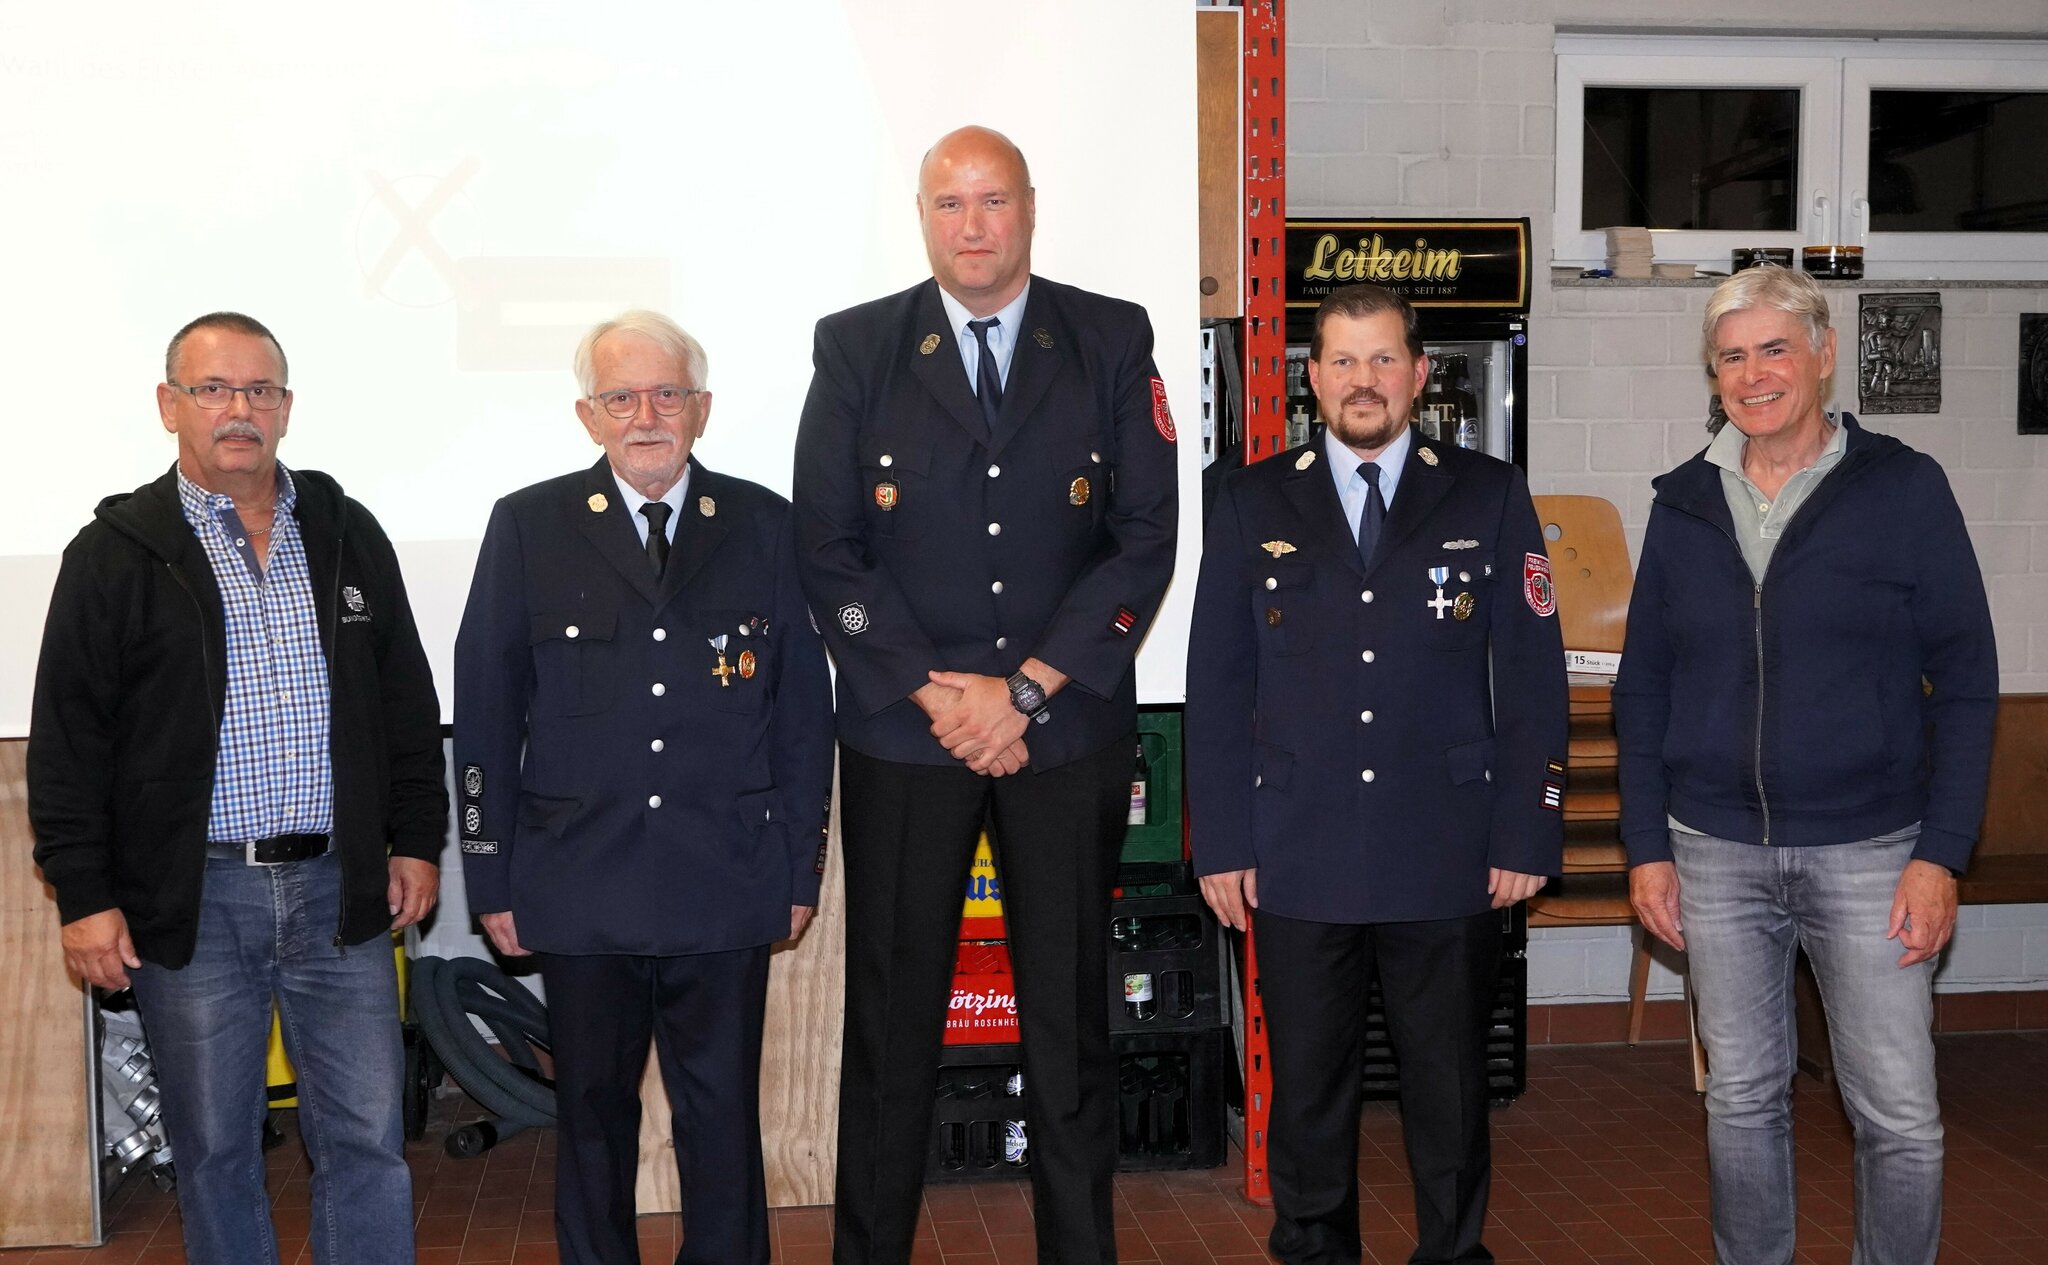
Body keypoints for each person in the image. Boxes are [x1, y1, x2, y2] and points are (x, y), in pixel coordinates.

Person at [792, 125, 1177, 1263]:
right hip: (906, 738)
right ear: (922, 216)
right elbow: (828, 543)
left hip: (1061, 732)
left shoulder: (1108, 336)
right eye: (949, 203)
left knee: (1067, 1020)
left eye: (991, 201)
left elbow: (1142, 535)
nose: (972, 225)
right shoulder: (859, 345)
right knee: (892, 1024)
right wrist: (938, 693)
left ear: (1028, 209)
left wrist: (1021, 689)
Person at [28, 311, 446, 1265]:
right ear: (170, 404)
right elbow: (68, 740)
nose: (238, 410)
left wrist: (417, 838)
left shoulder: (345, 532)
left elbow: (406, 702)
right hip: (196, 898)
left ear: (287, 409)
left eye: (259, 390)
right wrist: (85, 897)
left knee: (368, 1143)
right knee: (215, 1150)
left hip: (341, 891)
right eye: (214, 389)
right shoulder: (116, 552)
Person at [1616, 264, 1997, 1265]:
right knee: (1740, 1103)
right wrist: (1646, 847)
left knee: (1898, 1114)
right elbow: (1641, 688)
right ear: (1712, 372)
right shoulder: (1682, 504)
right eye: (1731, 355)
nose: (1753, 373)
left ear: (1821, 355)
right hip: (1713, 850)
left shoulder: (1902, 489)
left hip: (1874, 851)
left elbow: (1964, 679)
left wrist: (1940, 854)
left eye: (1772, 348)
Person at [1186, 283, 1567, 1265]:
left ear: (1418, 374)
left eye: (1383, 359)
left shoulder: (1487, 494)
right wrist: (1221, 838)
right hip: (1295, 847)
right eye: (1343, 361)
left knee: (1444, 1085)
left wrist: (1528, 830)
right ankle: (1313, 1249)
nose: (1364, 380)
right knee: (1307, 1086)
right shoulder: (1251, 498)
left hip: (1444, 846)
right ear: (1311, 377)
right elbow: (1217, 685)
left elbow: (1531, 678)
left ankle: (1451, 1249)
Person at [455, 310, 833, 1265]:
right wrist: (491, 880)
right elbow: (489, 714)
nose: (646, 415)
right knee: (589, 1120)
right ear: (589, 416)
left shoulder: (762, 524)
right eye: (621, 397)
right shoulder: (528, 525)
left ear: (701, 408)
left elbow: (800, 712)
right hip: (582, 881)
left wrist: (801, 862)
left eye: (667, 394)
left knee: (722, 1121)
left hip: (727, 875)